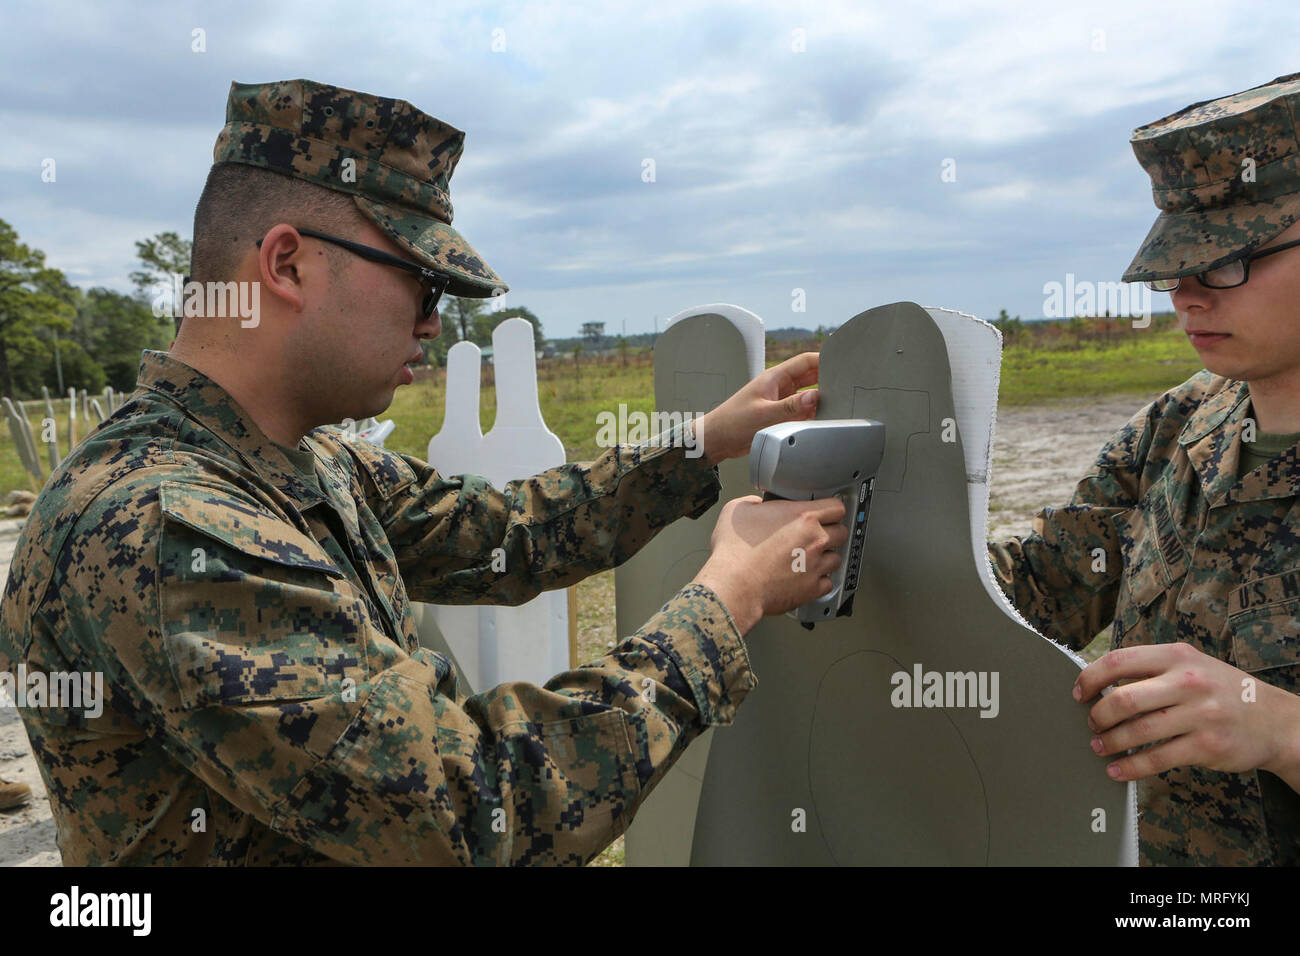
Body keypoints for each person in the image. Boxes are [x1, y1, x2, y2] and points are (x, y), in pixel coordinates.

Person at [0, 78, 846, 865]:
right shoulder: (169, 529)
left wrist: (700, 442)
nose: (433, 326)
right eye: (421, 285)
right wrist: (731, 598)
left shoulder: (290, 461)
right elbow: (474, 807)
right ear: (287, 265)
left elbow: (508, 532)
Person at [988, 72, 1300, 865]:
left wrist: (1280, 730)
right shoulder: (1183, 422)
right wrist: (872, 535)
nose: (1187, 297)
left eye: (1227, 261)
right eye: (1175, 266)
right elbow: (1039, 585)